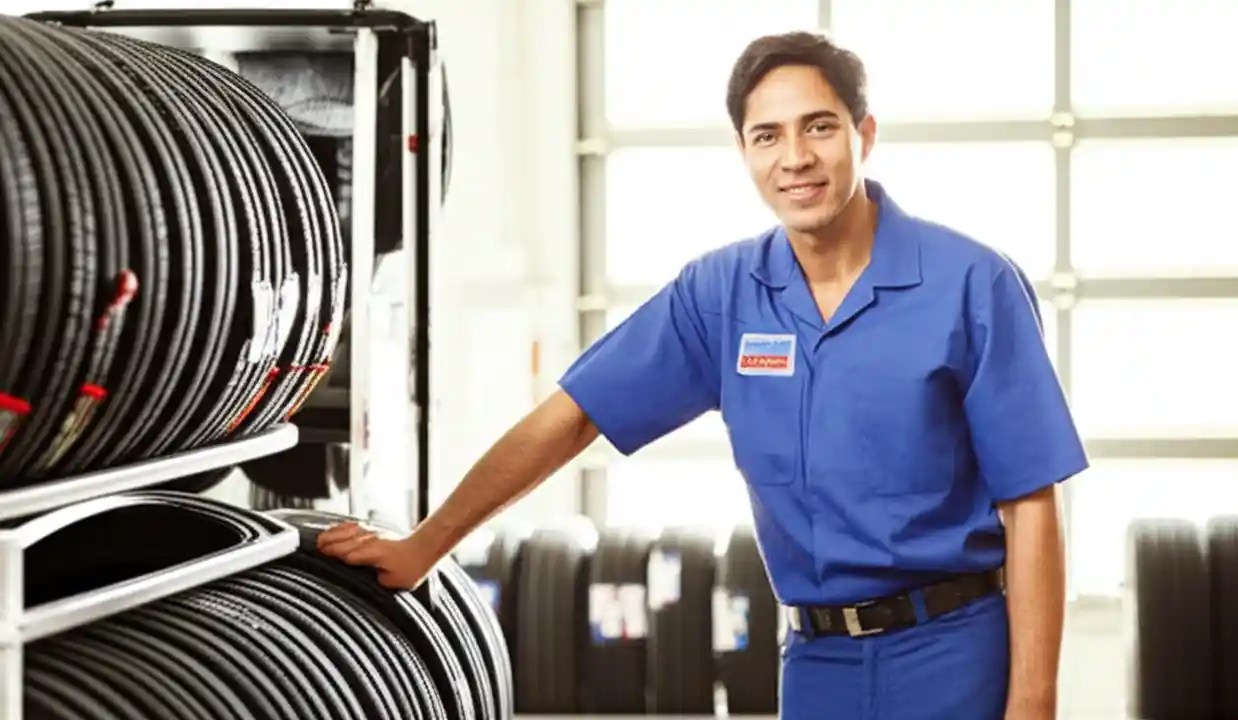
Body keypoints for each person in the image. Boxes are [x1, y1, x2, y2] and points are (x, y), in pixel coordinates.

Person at [317, 30, 1088, 720]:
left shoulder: (970, 283)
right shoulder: (723, 295)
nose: (796, 158)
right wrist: (428, 544)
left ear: (864, 134)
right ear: (745, 152)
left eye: (819, 127)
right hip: (817, 663)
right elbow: (575, 415)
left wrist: (1034, 703)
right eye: (767, 136)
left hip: (954, 652)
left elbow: (1030, 504)